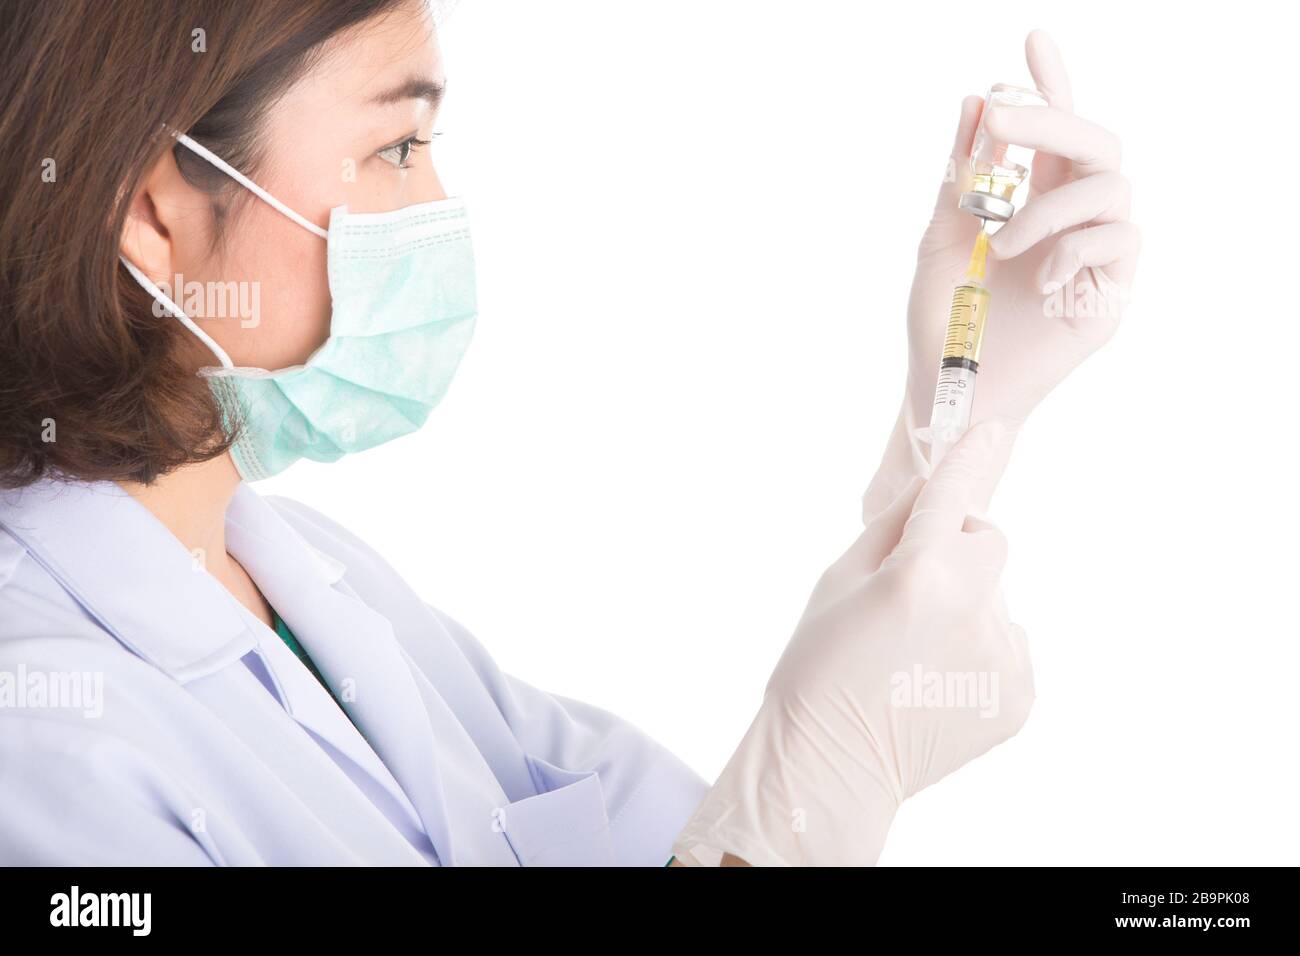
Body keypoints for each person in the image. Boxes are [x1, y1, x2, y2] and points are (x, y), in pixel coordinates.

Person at [0, 1, 1137, 866]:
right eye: (398, 145)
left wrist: (955, 401)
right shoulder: (45, 738)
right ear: (156, 212)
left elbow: (683, 841)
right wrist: (820, 783)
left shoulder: (308, 577)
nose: (437, 204)